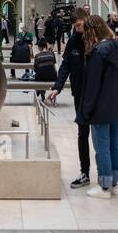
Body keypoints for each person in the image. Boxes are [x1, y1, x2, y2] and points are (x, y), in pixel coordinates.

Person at [79, 16, 118, 198]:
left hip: (101, 106)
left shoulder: (98, 52)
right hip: (116, 103)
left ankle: (104, 186)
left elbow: (92, 85)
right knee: (115, 142)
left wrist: (86, 110)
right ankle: (114, 181)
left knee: (102, 145)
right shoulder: (117, 46)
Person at [49, 13, 91, 188]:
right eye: (76, 26)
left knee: (102, 135)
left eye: (80, 25)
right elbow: (66, 65)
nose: (78, 29)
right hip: (80, 93)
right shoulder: (73, 40)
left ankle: (110, 175)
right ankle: (85, 172)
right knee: (82, 133)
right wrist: (57, 87)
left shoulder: (95, 40)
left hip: (96, 93)